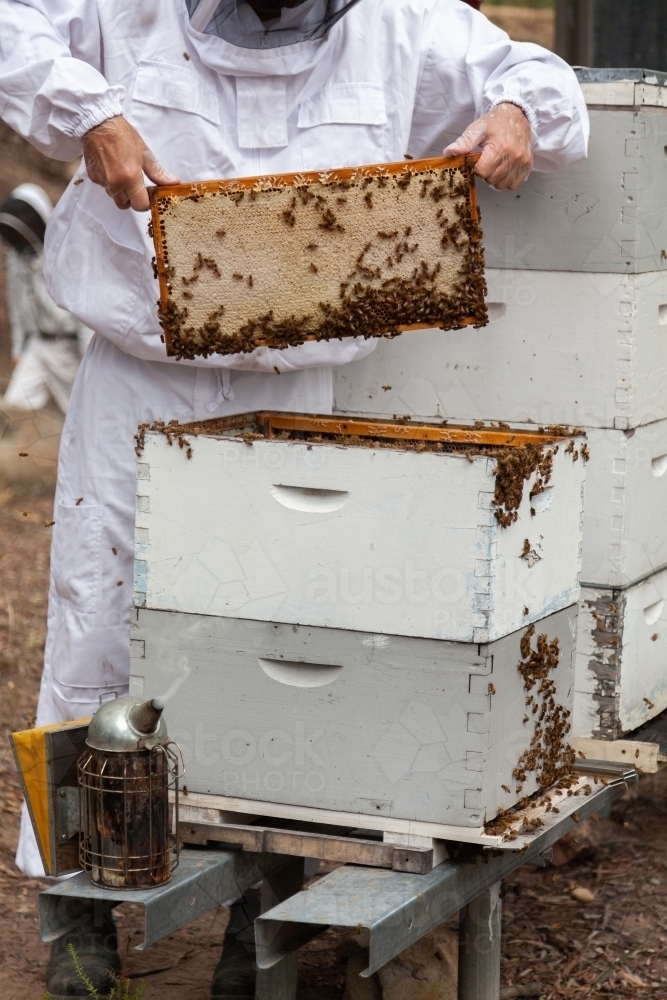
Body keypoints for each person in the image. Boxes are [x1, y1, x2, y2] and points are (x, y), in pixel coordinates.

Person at [0, 0, 589, 995]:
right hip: (145, 380)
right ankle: (79, 917)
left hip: (300, 388)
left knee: (276, 649)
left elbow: (542, 82)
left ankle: (256, 912)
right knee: (100, 641)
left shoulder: (404, 27)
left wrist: (517, 116)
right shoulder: (120, 10)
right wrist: (85, 109)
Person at [0, 184, 91, 413]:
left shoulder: (70, 252)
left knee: (82, 415)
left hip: (69, 351)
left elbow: (84, 307)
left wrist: (86, 353)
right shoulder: (16, 259)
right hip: (37, 347)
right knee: (12, 410)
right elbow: (17, 307)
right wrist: (18, 351)